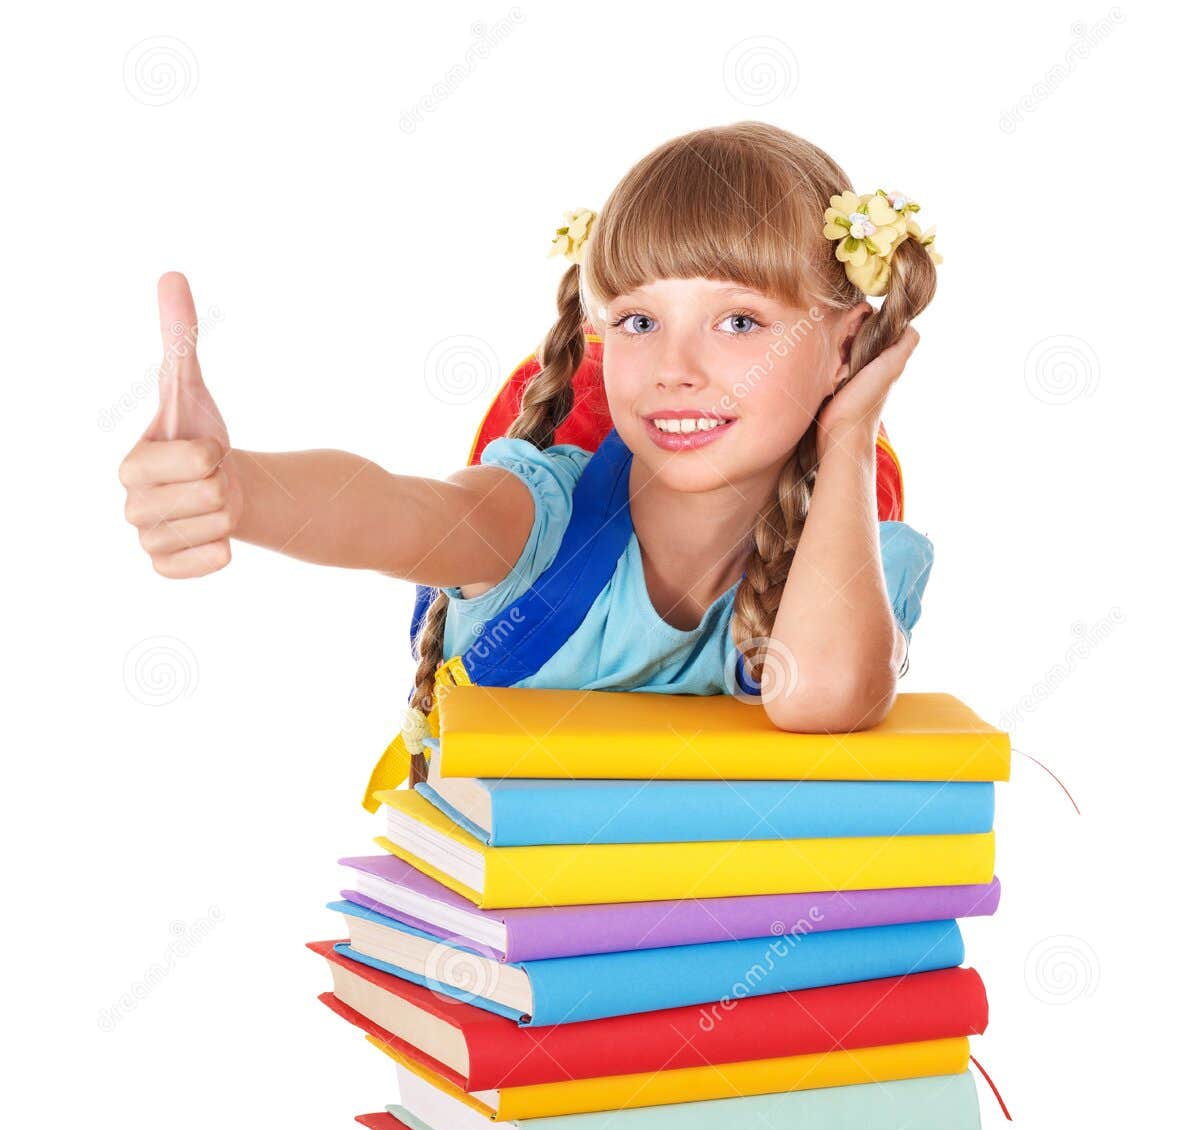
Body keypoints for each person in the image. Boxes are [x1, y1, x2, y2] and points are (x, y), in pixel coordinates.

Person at [119, 121, 940, 787]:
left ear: (848, 345)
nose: (674, 371)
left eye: (738, 323)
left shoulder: (860, 562)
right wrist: (240, 490)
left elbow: (824, 694)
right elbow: (396, 511)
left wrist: (850, 436)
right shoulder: (537, 518)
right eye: (639, 322)